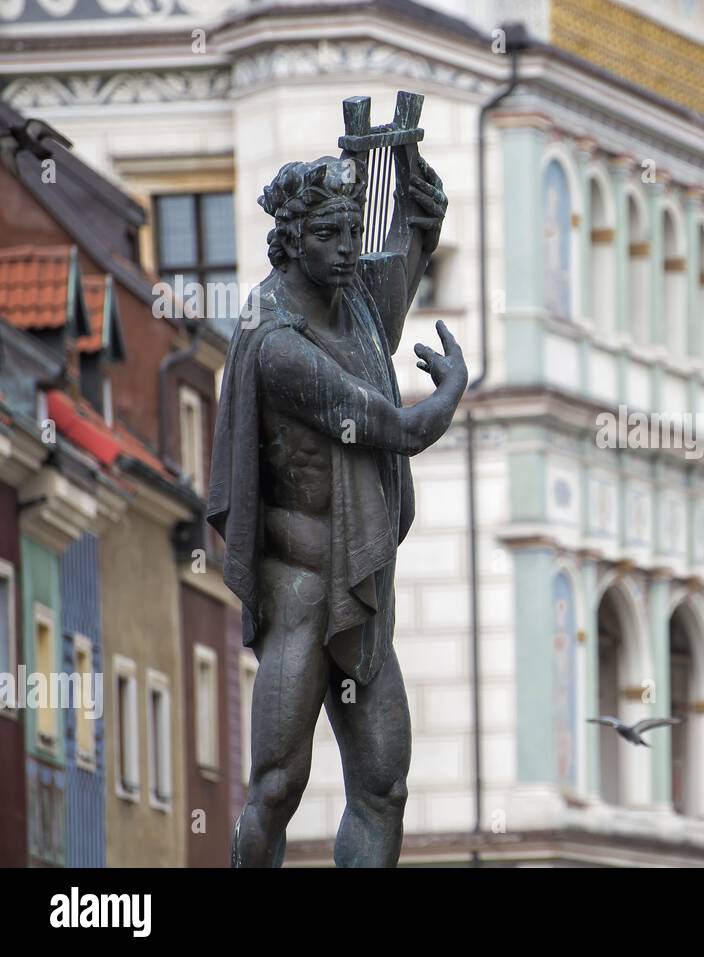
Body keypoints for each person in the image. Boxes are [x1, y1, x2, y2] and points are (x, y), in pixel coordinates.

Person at [207, 150, 465, 867]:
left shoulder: (347, 297)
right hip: (301, 591)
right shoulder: (278, 343)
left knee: (384, 786)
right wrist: (451, 389)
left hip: (360, 591)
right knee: (277, 786)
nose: (350, 248)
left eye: (354, 231)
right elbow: (401, 428)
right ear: (292, 238)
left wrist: (421, 216)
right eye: (330, 233)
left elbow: (397, 267)